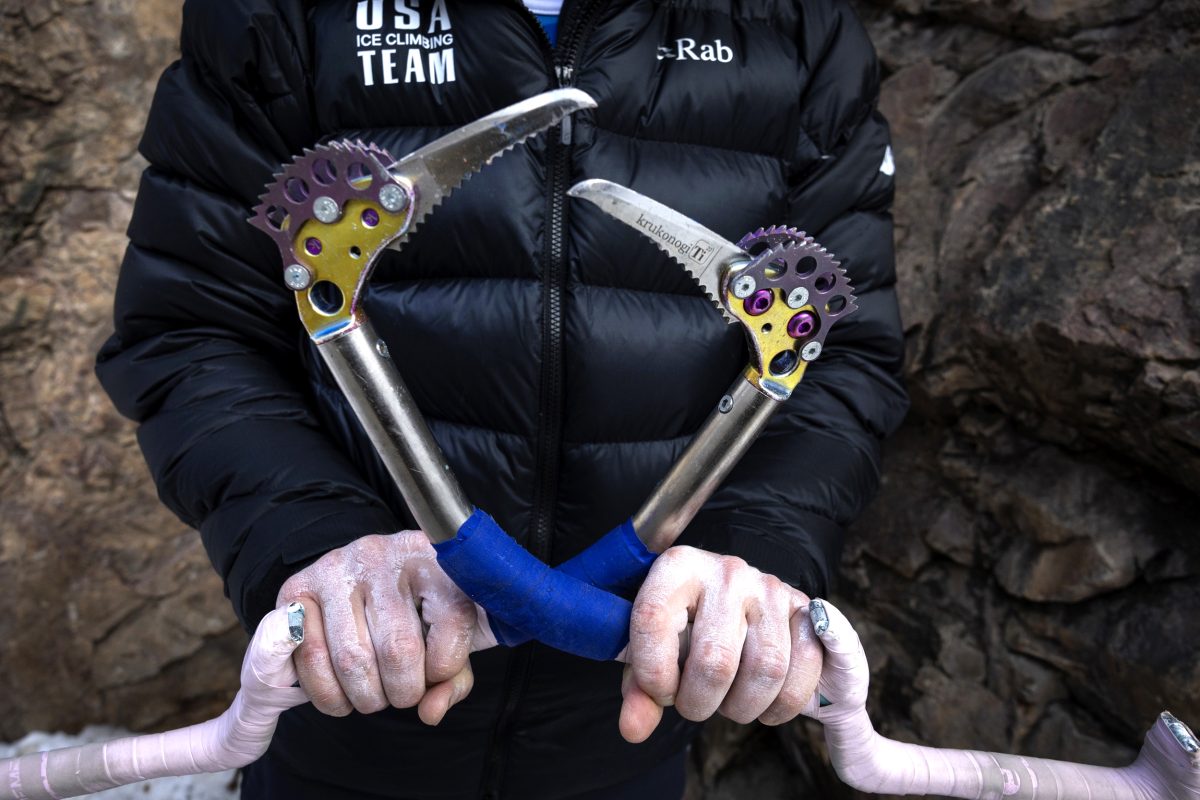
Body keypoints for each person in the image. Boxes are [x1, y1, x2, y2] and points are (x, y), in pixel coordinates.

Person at [95, 0, 908, 796]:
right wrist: (317, 543)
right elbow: (192, 332)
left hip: (631, 721)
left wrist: (755, 552)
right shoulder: (276, 16)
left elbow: (841, 356)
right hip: (347, 704)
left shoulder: (799, 26)